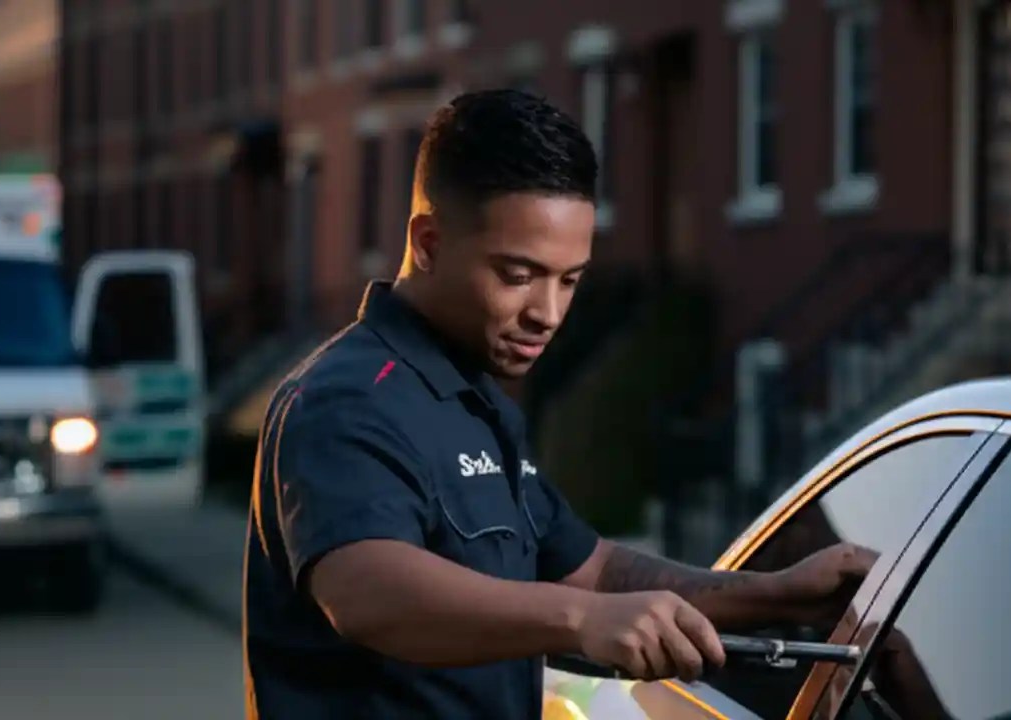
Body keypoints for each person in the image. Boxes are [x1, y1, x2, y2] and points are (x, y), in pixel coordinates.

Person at [241, 88, 873, 720]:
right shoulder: (345, 399)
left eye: (569, 280)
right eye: (518, 276)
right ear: (429, 243)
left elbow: (593, 571)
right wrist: (582, 621)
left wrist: (779, 594)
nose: (546, 314)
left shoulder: (476, 402)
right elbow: (368, 593)